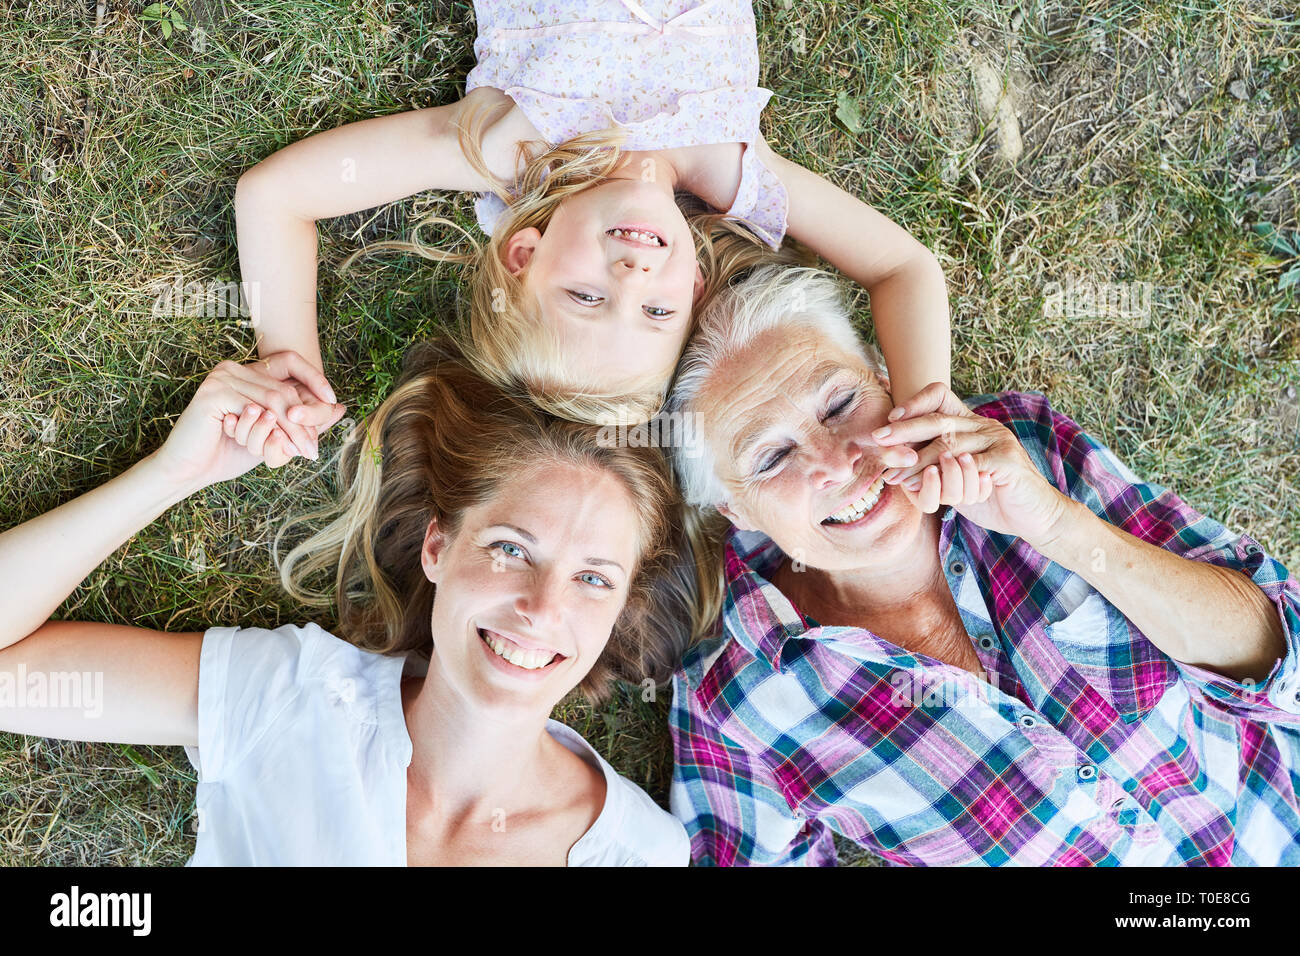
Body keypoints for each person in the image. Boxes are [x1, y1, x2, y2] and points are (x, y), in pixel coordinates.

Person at [662, 265, 1300, 865]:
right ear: (733, 508)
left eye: (838, 405)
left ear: (884, 378)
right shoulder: (737, 701)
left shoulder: (1021, 444)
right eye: (771, 458)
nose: (837, 462)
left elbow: (1281, 651)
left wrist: (1056, 525)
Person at [0, 342, 693, 865]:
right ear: (438, 548)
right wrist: (173, 474)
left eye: (594, 579)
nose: (542, 610)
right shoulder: (290, 697)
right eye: (511, 549)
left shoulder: (640, 853)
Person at [234, 0, 950, 430]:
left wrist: (286, 359)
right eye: (655, 313)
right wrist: (925, 415)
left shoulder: (510, 147)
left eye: (587, 297)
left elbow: (276, 195)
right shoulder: (734, 173)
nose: (633, 276)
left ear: (524, 256)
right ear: (695, 283)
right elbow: (900, 266)